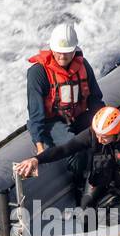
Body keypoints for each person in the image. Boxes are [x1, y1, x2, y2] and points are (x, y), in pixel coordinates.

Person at [14, 106, 120, 219]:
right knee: (86, 205)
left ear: (117, 133)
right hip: (106, 169)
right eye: (97, 134)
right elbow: (65, 149)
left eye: (104, 136)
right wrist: (36, 159)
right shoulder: (93, 134)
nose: (99, 139)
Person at [26, 22, 104, 154]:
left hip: (77, 117)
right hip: (53, 123)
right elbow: (36, 114)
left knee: (109, 135)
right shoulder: (38, 72)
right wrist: (39, 146)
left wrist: (104, 125)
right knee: (75, 149)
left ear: (74, 50)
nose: (62, 56)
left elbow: (95, 99)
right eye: (59, 52)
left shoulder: (83, 65)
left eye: (67, 52)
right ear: (51, 48)